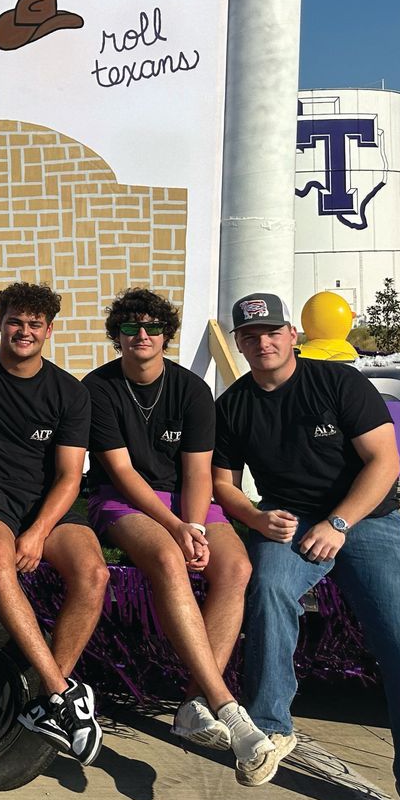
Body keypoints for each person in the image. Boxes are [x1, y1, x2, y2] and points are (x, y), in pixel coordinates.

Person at [212, 293, 400, 800]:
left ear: (293, 333)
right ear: (241, 344)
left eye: (272, 331)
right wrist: (255, 516)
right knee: (267, 589)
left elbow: (385, 462)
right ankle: (271, 730)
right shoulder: (235, 405)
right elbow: (223, 485)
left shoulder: (339, 384)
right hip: (289, 523)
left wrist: (339, 524)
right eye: (250, 336)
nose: (262, 342)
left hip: (366, 520)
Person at [82, 287, 272, 773]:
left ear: (166, 335)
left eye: (152, 327)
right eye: (130, 327)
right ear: (117, 336)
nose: (141, 335)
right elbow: (122, 474)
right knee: (169, 558)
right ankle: (226, 703)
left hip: (186, 500)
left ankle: (191, 706)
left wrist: (193, 524)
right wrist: (175, 529)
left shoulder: (191, 389)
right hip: (121, 500)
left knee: (236, 566)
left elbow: (197, 473)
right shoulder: (98, 388)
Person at [0, 282, 108, 766]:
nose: (24, 331)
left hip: (48, 503)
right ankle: (62, 692)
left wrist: (37, 531)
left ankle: (51, 705)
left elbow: (71, 476)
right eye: (15, 321)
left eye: (35, 324)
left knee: (94, 574)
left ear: (49, 331)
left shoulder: (69, 393)